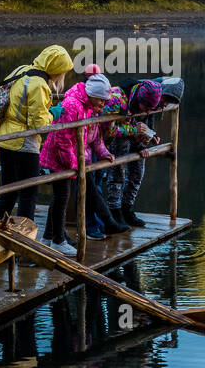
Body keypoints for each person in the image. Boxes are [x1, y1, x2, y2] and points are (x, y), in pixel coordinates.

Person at [0, 45, 73, 224]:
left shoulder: (22, 70)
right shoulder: (40, 85)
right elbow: (39, 124)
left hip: (5, 137)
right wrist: (54, 113)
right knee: (28, 194)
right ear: (56, 69)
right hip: (25, 144)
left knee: (8, 192)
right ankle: (24, 239)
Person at [40, 73, 115, 253]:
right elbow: (62, 138)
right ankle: (58, 241)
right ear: (93, 95)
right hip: (58, 158)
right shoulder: (73, 105)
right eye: (102, 101)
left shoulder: (88, 107)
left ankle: (48, 236)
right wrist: (74, 163)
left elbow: (94, 136)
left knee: (60, 196)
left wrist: (103, 152)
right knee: (62, 196)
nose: (103, 105)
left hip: (68, 159)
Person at [102, 78, 164, 227]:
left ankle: (125, 210)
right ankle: (114, 211)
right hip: (103, 143)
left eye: (151, 108)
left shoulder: (137, 100)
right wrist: (134, 130)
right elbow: (107, 129)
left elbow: (131, 124)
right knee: (117, 174)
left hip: (124, 140)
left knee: (136, 173)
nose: (147, 111)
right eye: (146, 107)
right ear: (139, 100)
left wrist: (147, 136)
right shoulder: (117, 99)